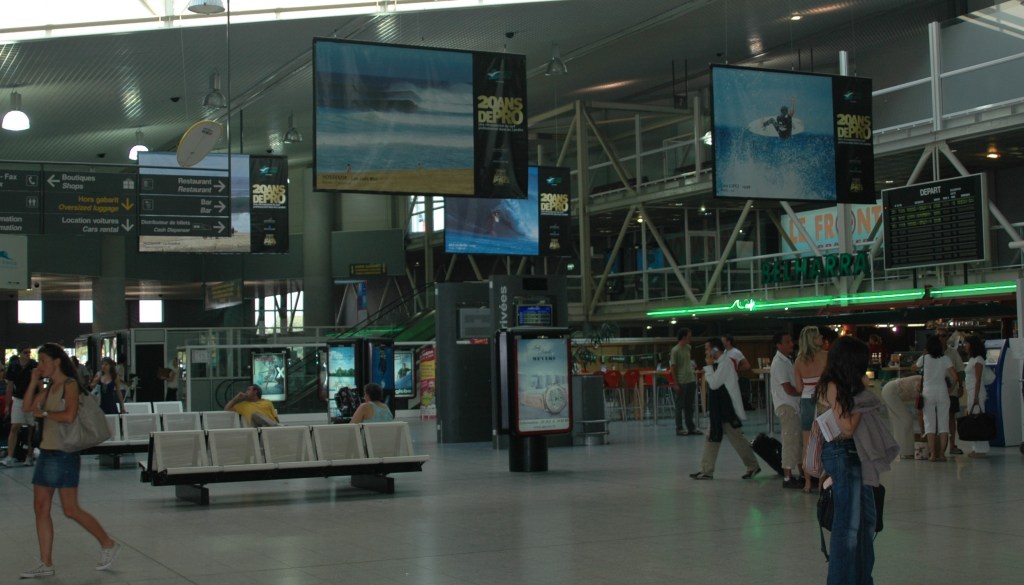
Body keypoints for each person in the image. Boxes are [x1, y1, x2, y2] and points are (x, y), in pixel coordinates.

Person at [20, 342, 121, 579]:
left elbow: (69, 415)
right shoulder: (50, 388)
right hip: (46, 453)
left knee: (70, 509)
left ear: (56, 362)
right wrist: (34, 381)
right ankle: (46, 562)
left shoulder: (70, 385)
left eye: (44, 361)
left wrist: (44, 414)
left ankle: (108, 543)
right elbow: (27, 407)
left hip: (64, 454)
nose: (41, 365)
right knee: (41, 508)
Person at [815, 336, 898, 585]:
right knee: (848, 528)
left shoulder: (848, 388)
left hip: (856, 455)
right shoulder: (832, 386)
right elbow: (848, 428)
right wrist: (862, 397)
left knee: (867, 524)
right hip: (843, 454)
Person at [690, 338, 760, 480]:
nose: (706, 352)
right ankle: (706, 470)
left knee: (737, 439)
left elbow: (714, 383)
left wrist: (708, 367)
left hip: (728, 410)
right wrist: (710, 367)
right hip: (718, 410)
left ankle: (753, 466)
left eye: (707, 349)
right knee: (712, 437)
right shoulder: (718, 363)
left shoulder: (726, 363)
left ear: (715, 350)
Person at [912, 335, 959, 462]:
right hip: (942, 392)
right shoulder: (945, 359)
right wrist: (950, 389)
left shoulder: (924, 359)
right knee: (944, 424)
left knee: (929, 425)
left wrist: (924, 354)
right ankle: (942, 454)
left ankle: (932, 454)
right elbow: (955, 377)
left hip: (928, 393)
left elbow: (913, 368)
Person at [793, 326, 827, 492]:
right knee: (826, 441)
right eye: (819, 336)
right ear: (814, 339)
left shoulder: (798, 361)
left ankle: (807, 483)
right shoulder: (826, 357)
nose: (822, 339)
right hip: (824, 401)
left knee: (807, 444)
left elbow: (799, 388)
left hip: (806, 401)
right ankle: (822, 481)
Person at [769, 332, 802, 488]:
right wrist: (804, 391)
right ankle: (788, 478)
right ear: (779, 345)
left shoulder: (787, 361)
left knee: (797, 440)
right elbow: (788, 389)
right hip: (786, 406)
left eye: (791, 341)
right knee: (790, 440)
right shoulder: (779, 363)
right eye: (787, 342)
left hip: (792, 406)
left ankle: (802, 473)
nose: (791, 344)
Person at [2, 343, 38, 467]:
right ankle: (10, 456)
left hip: (32, 399)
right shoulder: (13, 366)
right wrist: (7, 405)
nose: (28, 355)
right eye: (25, 353)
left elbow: (39, 383)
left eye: (29, 352)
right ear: (20, 354)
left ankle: (29, 455)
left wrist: (39, 400)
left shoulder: (34, 365)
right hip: (18, 399)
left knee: (30, 428)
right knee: (14, 426)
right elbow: (10, 386)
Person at [880, 375, 923, 459]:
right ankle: (904, 451)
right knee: (906, 420)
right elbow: (921, 411)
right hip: (891, 392)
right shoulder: (922, 382)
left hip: (890, 390)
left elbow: (919, 409)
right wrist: (923, 431)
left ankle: (904, 450)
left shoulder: (925, 383)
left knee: (899, 422)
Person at [961, 335, 990, 458]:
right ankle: (975, 447)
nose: (965, 346)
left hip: (976, 393)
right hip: (972, 392)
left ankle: (981, 449)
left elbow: (978, 380)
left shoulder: (978, 359)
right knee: (973, 419)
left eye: (966, 344)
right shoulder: (973, 359)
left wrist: (976, 397)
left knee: (979, 420)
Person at [938, 328, 965, 456]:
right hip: (936, 391)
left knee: (950, 418)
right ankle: (936, 447)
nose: (941, 338)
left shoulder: (953, 353)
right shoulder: (929, 354)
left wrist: (960, 386)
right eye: (938, 336)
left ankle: (952, 445)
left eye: (943, 336)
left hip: (951, 392)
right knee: (934, 419)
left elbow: (960, 371)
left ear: (947, 337)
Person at [670, 328, 700, 436]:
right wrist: (676, 383)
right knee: (679, 406)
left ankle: (691, 427)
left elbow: (688, 362)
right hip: (681, 381)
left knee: (689, 406)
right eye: (689, 336)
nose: (690, 338)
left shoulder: (688, 347)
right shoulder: (675, 350)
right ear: (684, 337)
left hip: (690, 379)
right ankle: (679, 428)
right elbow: (673, 367)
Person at [721, 335, 754, 410]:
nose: (721, 343)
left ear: (728, 342)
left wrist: (736, 369)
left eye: (723, 341)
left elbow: (747, 365)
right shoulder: (724, 352)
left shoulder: (736, 352)